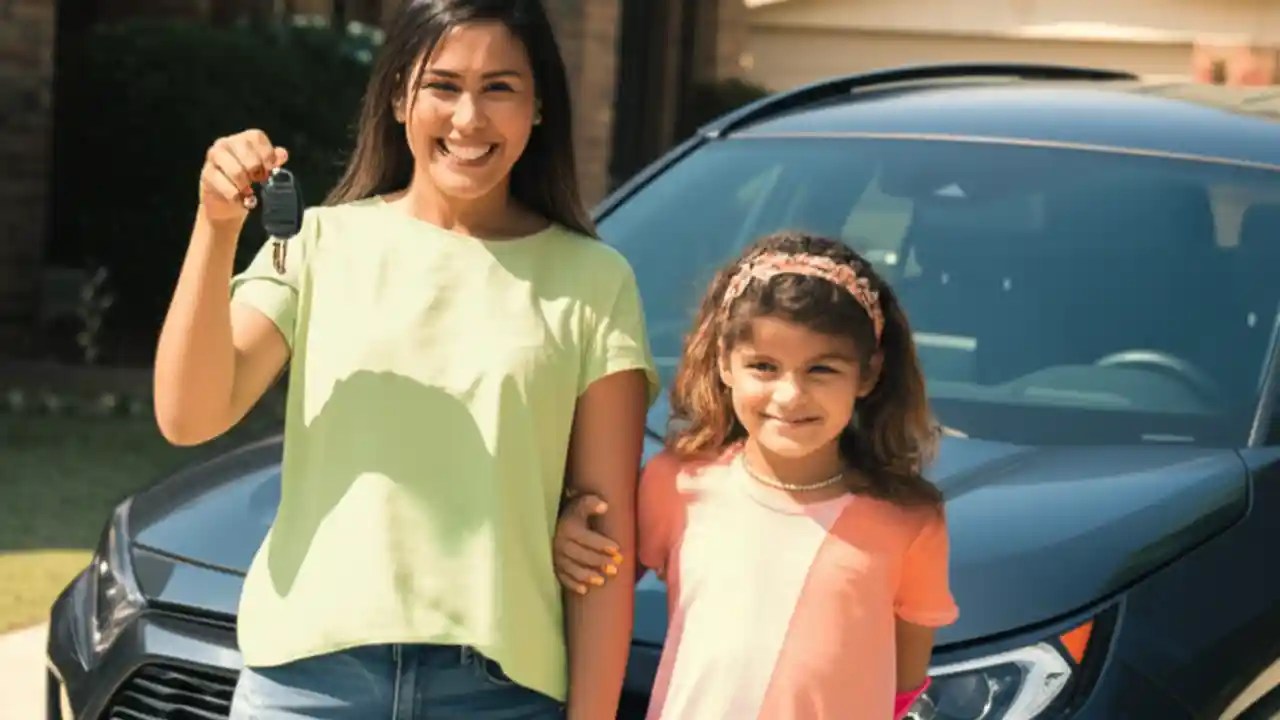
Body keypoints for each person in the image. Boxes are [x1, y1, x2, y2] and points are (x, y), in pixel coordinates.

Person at [153, 1, 657, 717]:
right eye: (443, 85)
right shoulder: (316, 246)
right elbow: (187, 415)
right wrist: (216, 225)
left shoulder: (595, 281)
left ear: (539, 106)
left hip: (498, 696)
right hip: (304, 687)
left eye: (500, 87)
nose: (469, 118)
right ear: (397, 97)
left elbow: (603, 550)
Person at [552, 231, 957, 719]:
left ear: (868, 374)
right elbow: (594, 590)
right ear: (725, 363)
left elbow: (903, 683)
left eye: (821, 370)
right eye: (764, 367)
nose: (789, 395)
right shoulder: (677, 484)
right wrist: (568, 531)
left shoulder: (910, 521)